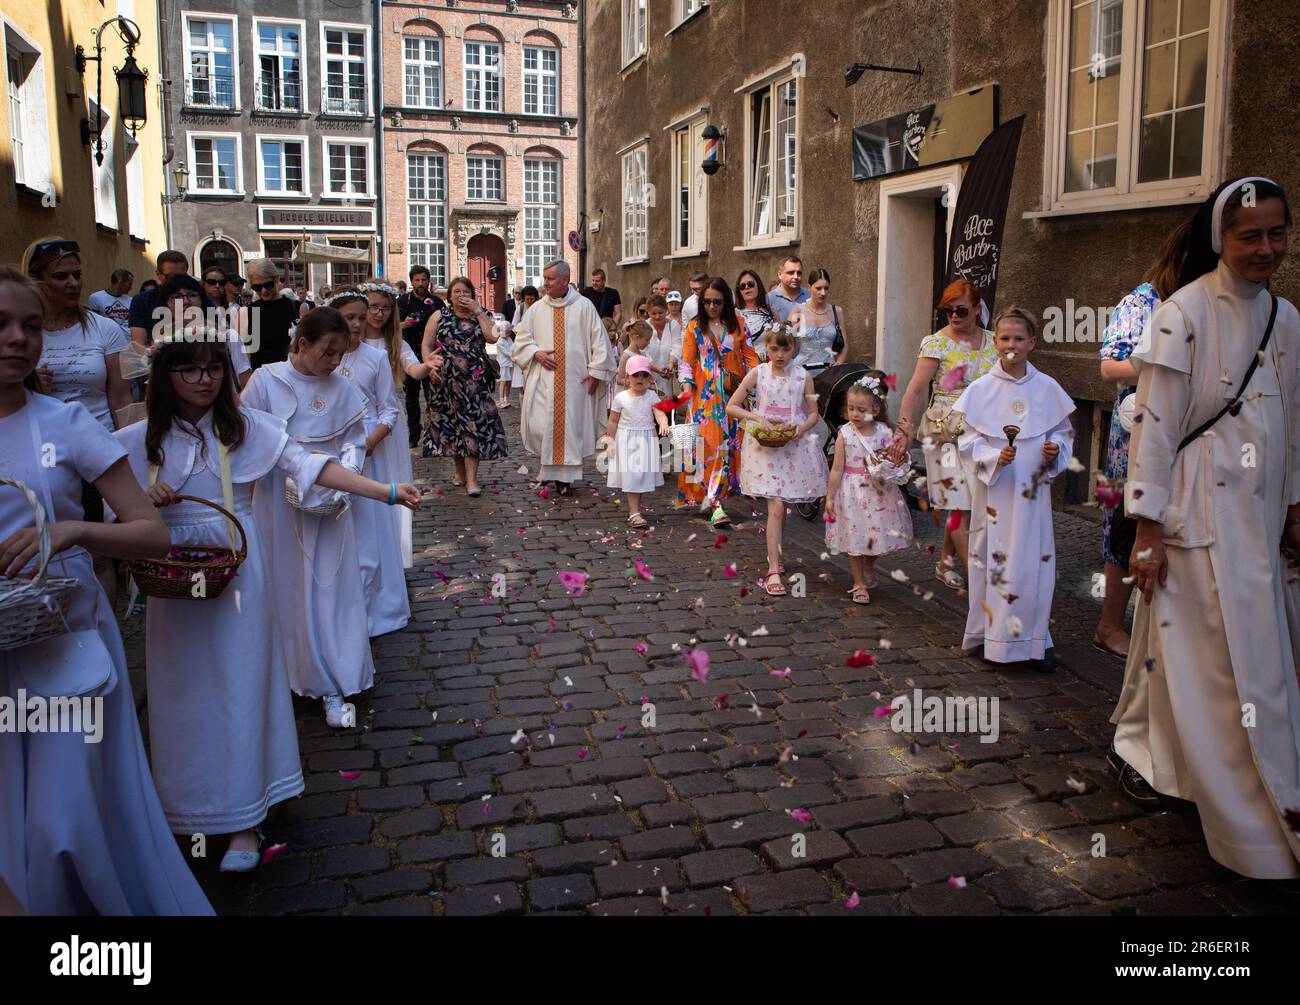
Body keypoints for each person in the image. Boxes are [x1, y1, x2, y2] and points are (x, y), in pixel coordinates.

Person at [116, 335, 411, 871]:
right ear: (165, 377)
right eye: (190, 370)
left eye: (214, 369)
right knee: (180, 692)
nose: (204, 379)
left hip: (238, 576)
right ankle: (186, 810)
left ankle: (244, 820)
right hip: (174, 581)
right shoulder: (139, 439)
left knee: (240, 682)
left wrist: (385, 492)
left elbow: (311, 466)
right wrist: (142, 503)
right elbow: (109, 508)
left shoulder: (246, 429)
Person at [0, 266, 214, 916]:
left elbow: (149, 534)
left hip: (63, 644)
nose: (17, 339)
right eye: (1, 325)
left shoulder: (64, 422)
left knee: (61, 824)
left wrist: (71, 531)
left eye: (30, 326)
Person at [1110, 177, 1300, 880]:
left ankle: (1147, 751)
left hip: (1260, 517)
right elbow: (1153, 433)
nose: (1265, 248)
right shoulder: (1180, 316)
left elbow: (1295, 425)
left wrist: (1295, 509)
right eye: (1250, 234)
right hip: (1198, 516)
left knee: (1186, 651)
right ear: (1219, 237)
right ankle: (1248, 823)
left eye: (1276, 233)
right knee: (1221, 668)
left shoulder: (1288, 320)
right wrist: (1147, 531)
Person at [241, 308, 420, 728]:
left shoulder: (341, 388)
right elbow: (248, 438)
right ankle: (288, 675)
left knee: (331, 588)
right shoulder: (267, 381)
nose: (335, 363)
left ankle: (337, 675)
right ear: (302, 344)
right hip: (280, 505)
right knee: (287, 588)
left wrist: (347, 478)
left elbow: (354, 440)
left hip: (333, 503)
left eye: (341, 355)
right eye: (328, 353)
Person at [954, 307, 1074, 669]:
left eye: (1019, 338)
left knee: (1033, 564)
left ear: (1032, 343)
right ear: (996, 343)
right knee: (992, 559)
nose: (1011, 345)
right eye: (1004, 338)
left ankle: (1033, 640)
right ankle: (990, 637)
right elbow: (967, 442)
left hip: (1033, 495)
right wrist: (993, 457)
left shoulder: (1048, 388)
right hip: (996, 494)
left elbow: (1064, 434)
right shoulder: (981, 390)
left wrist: (1055, 451)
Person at [1092, 224, 1191, 660]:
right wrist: (1161, 360)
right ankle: (1110, 625)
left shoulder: (1204, 303)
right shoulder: (1142, 302)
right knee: (1127, 528)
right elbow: (1110, 369)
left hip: (1182, 435)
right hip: (1135, 436)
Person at [24, 237, 133, 602]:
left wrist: (127, 446)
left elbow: (120, 394)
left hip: (94, 451)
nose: (72, 283)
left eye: (76, 274)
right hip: (40, 455)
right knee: (43, 548)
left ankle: (104, 635)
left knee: (99, 552)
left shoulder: (103, 328)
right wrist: (29, 381)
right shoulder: (23, 332)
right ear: (37, 280)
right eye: (60, 276)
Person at [891, 279, 998, 590]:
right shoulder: (936, 343)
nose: (954, 316)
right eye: (947, 311)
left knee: (969, 505)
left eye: (961, 310)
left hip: (983, 434)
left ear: (978, 309)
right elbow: (913, 390)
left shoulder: (994, 343)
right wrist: (904, 430)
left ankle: (945, 563)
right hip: (945, 435)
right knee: (958, 504)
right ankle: (982, 585)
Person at [331, 287, 412, 636]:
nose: (357, 324)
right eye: (349, 318)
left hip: (367, 451)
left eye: (361, 318)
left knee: (369, 531)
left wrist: (368, 444)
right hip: (331, 451)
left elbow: (389, 409)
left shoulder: (375, 358)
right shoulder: (326, 356)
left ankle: (377, 604)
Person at [727, 324, 828, 594]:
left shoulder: (802, 376)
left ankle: (776, 555)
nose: (780, 354)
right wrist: (757, 417)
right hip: (765, 444)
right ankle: (773, 568)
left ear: (794, 347)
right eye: (774, 348)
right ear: (767, 349)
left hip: (793, 445)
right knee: (776, 508)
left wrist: (801, 429)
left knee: (782, 508)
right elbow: (732, 406)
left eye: (785, 348)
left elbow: (813, 413)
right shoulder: (758, 373)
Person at [513, 259, 613, 493]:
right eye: (544, 278)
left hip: (575, 382)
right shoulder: (537, 309)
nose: (545, 283)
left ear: (565, 280)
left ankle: (565, 479)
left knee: (570, 429)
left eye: (550, 279)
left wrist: (596, 372)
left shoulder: (584, 306)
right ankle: (547, 472)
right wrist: (535, 353)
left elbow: (600, 342)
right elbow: (522, 341)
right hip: (544, 380)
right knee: (543, 425)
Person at [825, 373, 913, 604]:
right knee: (855, 540)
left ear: (875, 409)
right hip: (852, 492)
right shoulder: (845, 433)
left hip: (878, 493)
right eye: (851, 408)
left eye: (861, 409)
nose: (855, 414)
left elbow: (895, 458)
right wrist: (830, 497)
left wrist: (905, 443)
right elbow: (836, 469)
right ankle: (858, 584)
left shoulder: (884, 432)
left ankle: (869, 563)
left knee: (877, 536)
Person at [363, 281, 434, 564]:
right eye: (374, 307)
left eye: (385, 309)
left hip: (388, 422)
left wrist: (427, 366)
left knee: (391, 481)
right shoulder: (348, 342)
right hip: (357, 422)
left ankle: (394, 552)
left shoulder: (395, 343)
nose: (379, 314)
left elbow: (413, 369)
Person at [678, 277, 758, 527]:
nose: (712, 306)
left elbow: (751, 357)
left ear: (726, 301)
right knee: (709, 449)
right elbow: (686, 362)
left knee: (729, 450)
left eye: (717, 301)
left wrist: (754, 383)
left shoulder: (739, 324)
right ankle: (715, 504)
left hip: (733, 398)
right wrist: (686, 387)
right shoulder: (694, 327)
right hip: (704, 400)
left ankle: (717, 497)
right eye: (707, 301)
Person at [421, 276, 507, 496]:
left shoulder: (483, 314)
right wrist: (429, 366)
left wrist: (478, 311)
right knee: (450, 430)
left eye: (465, 291)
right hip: (444, 381)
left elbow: (492, 338)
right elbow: (426, 345)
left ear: (472, 294)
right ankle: (459, 470)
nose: (461, 295)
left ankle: (472, 480)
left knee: (472, 428)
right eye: (456, 292)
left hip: (473, 382)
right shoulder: (439, 315)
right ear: (449, 296)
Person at [606, 354, 669, 527]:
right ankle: (634, 513)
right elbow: (613, 420)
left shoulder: (652, 397)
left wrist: (663, 423)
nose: (640, 378)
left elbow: (659, 412)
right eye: (635, 375)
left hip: (646, 440)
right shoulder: (621, 398)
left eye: (644, 375)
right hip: (627, 441)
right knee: (632, 477)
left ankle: (635, 509)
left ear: (650, 378)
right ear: (627, 377)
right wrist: (609, 439)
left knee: (639, 477)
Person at [398, 267, 446, 448]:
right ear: (411, 281)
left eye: (423, 280)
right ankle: (413, 435)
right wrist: (404, 324)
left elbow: (444, 327)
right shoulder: (402, 302)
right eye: (417, 280)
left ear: (429, 281)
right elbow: (391, 326)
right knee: (411, 399)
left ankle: (433, 435)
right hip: (409, 356)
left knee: (432, 398)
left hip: (431, 357)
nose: (420, 283)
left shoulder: (435, 303)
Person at [237, 259, 299, 369]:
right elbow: (244, 354)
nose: (264, 290)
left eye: (268, 285)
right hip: (261, 375)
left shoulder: (293, 306)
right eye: (257, 287)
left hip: (289, 373)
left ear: (276, 279)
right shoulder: (248, 311)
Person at [786, 268, 849, 373]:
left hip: (828, 372)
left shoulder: (836, 311)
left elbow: (845, 345)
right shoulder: (798, 311)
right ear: (809, 287)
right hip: (801, 371)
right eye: (818, 288)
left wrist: (839, 364)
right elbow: (786, 342)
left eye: (826, 288)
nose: (823, 293)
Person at [129, 250, 189, 345]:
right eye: (171, 276)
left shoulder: (197, 297)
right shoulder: (142, 300)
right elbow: (138, 344)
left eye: (182, 276)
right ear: (158, 274)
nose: (178, 280)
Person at [735, 269, 775, 361]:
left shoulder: (771, 311)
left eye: (750, 284)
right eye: (742, 286)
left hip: (771, 366)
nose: (747, 287)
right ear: (739, 290)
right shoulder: (735, 314)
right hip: (747, 368)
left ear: (758, 285)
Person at [644, 294, 678, 397]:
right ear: (648, 312)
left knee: (667, 405)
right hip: (649, 376)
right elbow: (643, 353)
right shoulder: (644, 326)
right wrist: (658, 370)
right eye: (653, 313)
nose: (657, 317)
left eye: (661, 313)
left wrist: (670, 365)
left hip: (668, 375)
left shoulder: (673, 325)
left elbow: (677, 347)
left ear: (666, 310)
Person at [88, 268, 134, 334]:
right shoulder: (96, 298)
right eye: (129, 284)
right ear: (120, 282)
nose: (131, 288)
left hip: (128, 340)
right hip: (108, 339)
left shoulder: (131, 300)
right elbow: (93, 324)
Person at [766, 256, 810, 323]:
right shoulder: (769, 299)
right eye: (791, 273)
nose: (796, 277)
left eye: (799, 273)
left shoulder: (809, 295)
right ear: (780, 274)